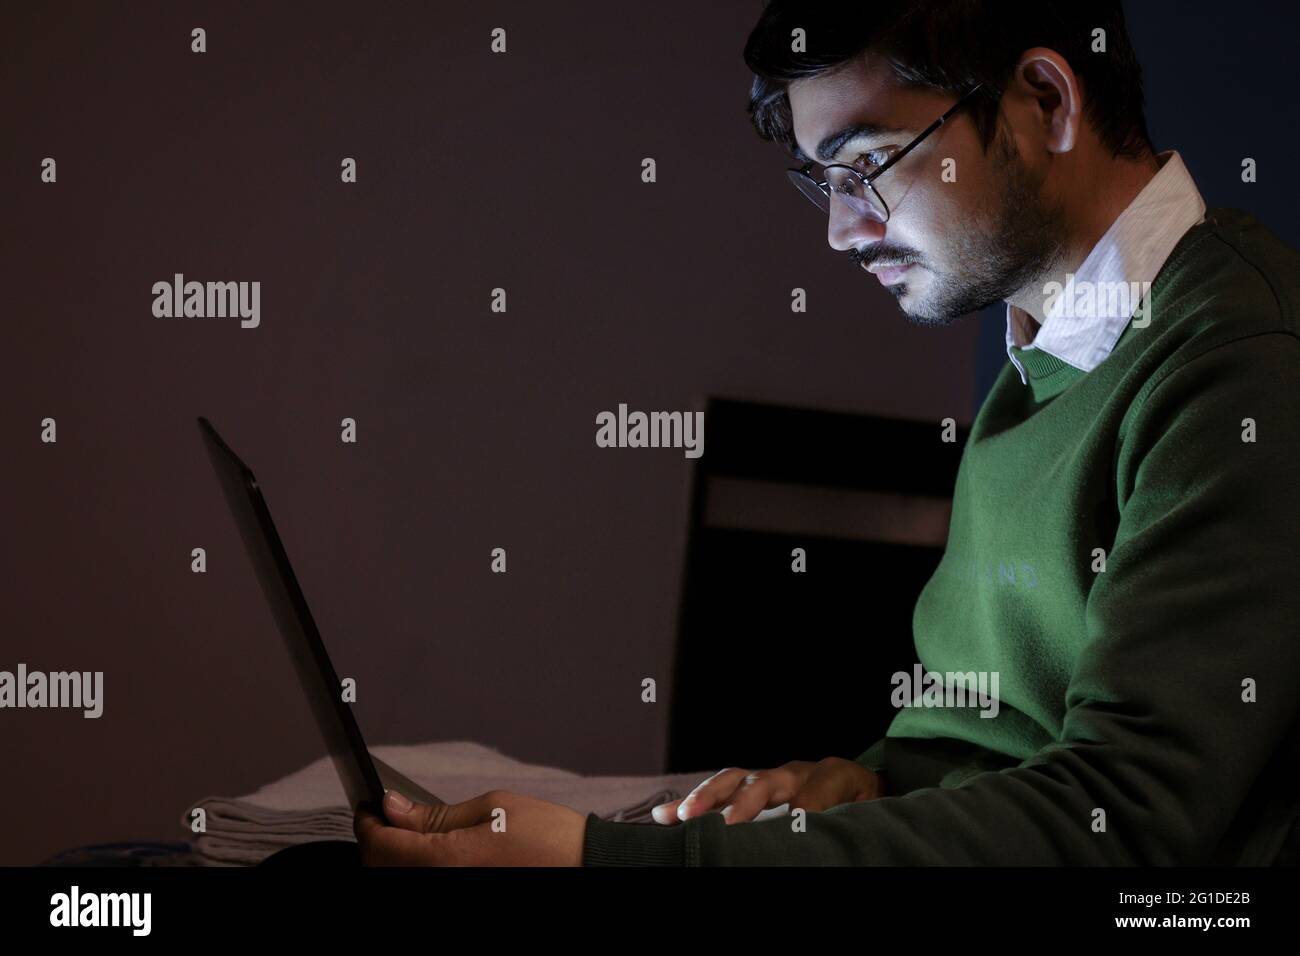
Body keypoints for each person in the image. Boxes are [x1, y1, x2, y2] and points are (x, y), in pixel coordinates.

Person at [349, 0, 1300, 865]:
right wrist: (879, 774)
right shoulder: (1048, 348)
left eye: (869, 165)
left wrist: (606, 863)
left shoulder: (1242, 360)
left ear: (1047, 101)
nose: (843, 232)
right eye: (824, 182)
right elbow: (1009, 726)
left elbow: (1124, 821)